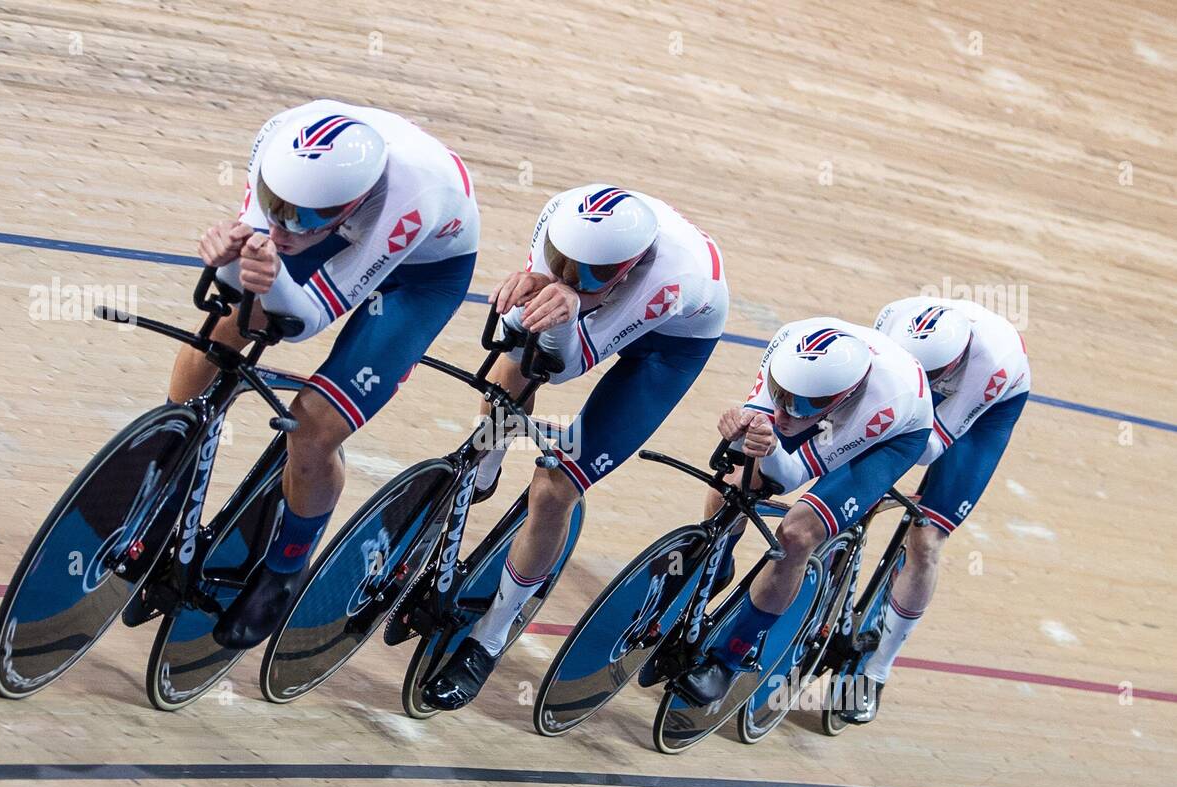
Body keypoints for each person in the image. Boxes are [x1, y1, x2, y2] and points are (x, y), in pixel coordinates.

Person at [148, 99, 479, 648]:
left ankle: (286, 567)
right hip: (344, 227)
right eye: (276, 204)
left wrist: (262, 267)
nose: (283, 225)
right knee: (223, 333)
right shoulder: (280, 140)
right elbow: (262, 246)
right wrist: (230, 255)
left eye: (301, 216)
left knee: (314, 426)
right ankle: (165, 481)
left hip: (420, 274)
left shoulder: (414, 197)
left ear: (349, 204)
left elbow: (303, 320)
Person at [421, 184, 729, 710]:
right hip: (618, 300)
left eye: (585, 274)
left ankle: (488, 639)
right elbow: (523, 336)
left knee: (554, 488)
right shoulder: (561, 214)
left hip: (669, 346)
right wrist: (526, 298)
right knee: (508, 375)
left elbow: (564, 368)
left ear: (625, 269)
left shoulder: (669, 281)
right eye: (561, 263)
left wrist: (562, 308)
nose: (568, 276)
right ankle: (487, 467)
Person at [678, 318, 934, 706]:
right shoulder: (789, 344)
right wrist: (743, 423)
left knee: (797, 534)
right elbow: (767, 421)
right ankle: (719, 561)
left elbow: (792, 475)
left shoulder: (881, 405)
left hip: (890, 437)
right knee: (734, 479)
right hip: (830, 402)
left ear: (841, 396)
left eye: (800, 405)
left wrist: (773, 445)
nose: (785, 413)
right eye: (781, 395)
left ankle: (729, 658)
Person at [837, 297, 1031, 723]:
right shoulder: (891, 318)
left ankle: (875, 671)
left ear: (955, 360)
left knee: (925, 538)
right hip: (905, 385)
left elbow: (928, 447)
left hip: (982, 416)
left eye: (934, 372)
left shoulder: (990, 365)